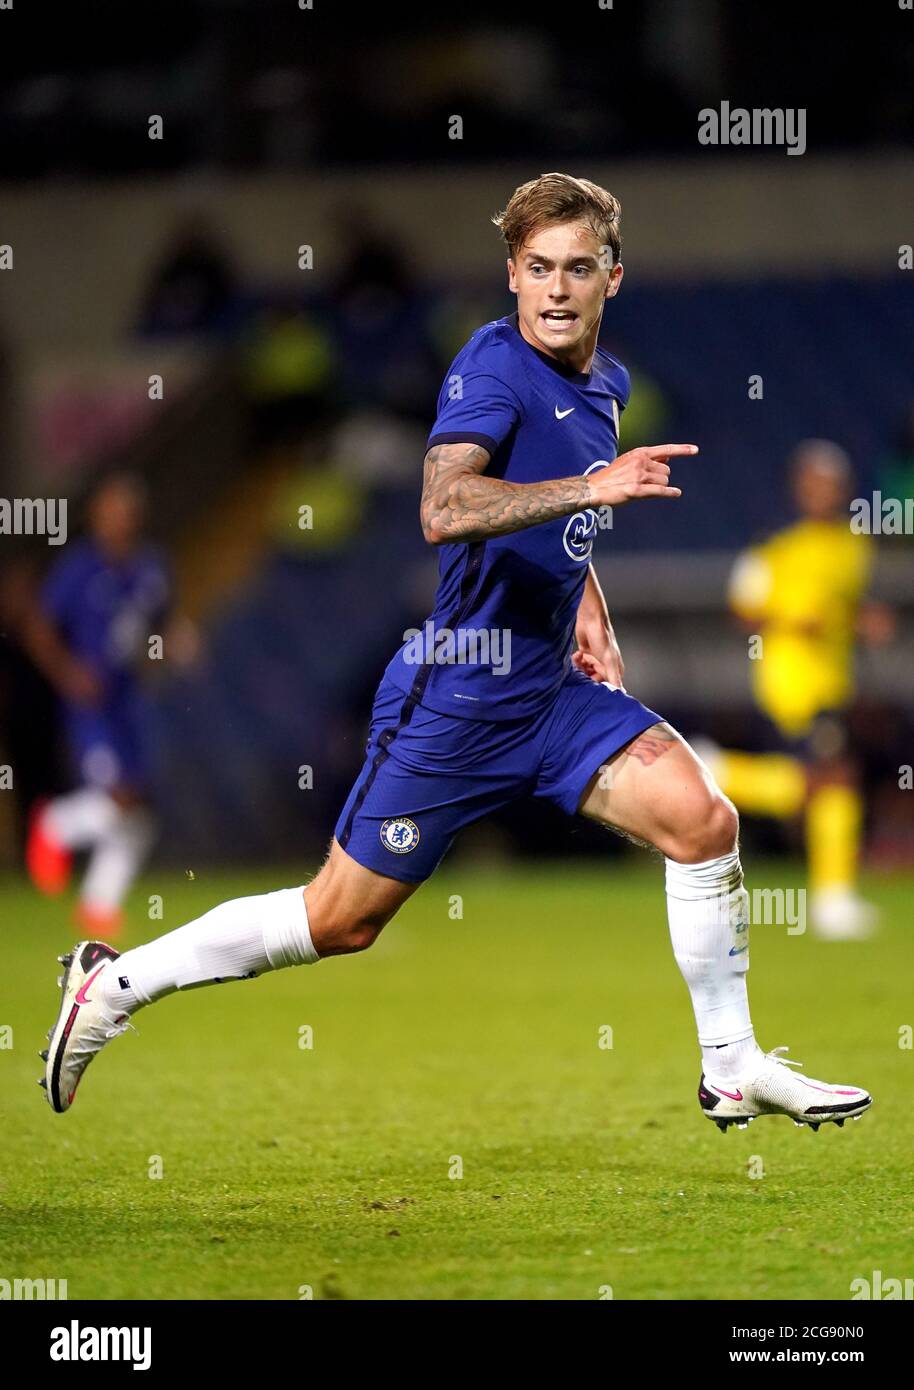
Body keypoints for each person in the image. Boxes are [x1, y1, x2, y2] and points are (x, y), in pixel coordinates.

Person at [39, 174, 871, 1135]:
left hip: (551, 692)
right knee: (337, 921)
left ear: (614, 278)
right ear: (512, 276)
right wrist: (591, 488)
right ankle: (113, 986)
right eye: (537, 269)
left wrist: (588, 596)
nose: (557, 290)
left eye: (578, 268)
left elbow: (555, 512)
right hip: (461, 694)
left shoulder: (607, 383)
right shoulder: (490, 366)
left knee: (702, 818)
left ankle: (732, 1066)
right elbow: (447, 508)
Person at [709, 442, 894, 940]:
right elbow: (743, 608)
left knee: (820, 782)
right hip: (788, 683)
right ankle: (833, 901)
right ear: (799, 487)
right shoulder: (775, 549)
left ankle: (722, 773)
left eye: (831, 483)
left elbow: (844, 608)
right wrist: (794, 621)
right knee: (836, 778)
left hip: (835, 683)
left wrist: (862, 621)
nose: (822, 491)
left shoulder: (853, 548)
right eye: (813, 481)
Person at [24, 474, 169, 939]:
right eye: (111, 512)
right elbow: (40, 628)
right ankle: (55, 825)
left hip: (127, 702)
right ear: (97, 518)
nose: (120, 521)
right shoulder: (79, 569)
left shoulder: (150, 568)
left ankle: (97, 906)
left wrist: (172, 648)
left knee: (140, 814)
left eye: (127, 512)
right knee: (119, 799)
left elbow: (159, 626)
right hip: (92, 707)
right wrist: (69, 674)